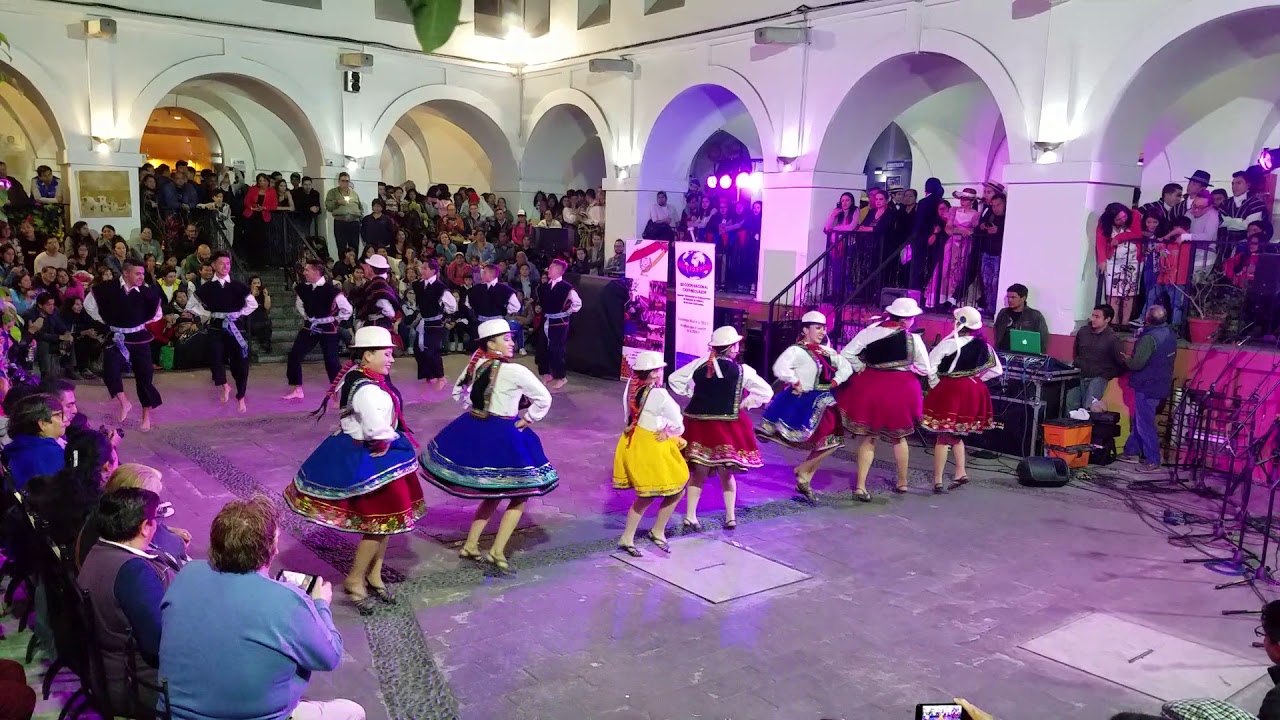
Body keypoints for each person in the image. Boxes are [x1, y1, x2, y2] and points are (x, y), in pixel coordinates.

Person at [160, 497, 364, 720]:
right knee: (353, 712)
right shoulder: (286, 600)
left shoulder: (188, 573)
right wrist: (321, 604)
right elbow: (330, 656)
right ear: (271, 549)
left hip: (175, 715)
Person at [285, 327, 425, 613]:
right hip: (371, 457)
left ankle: (373, 575)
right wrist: (395, 439)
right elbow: (376, 429)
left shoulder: (360, 377)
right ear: (367, 355)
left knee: (387, 520)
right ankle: (355, 580)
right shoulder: (368, 389)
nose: (391, 359)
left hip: (371, 454)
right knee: (377, 523)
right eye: (386, 354)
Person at [419, 319, 557, 573]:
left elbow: (458, 393)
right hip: (505, 434)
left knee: (493, 491)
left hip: (480, 428)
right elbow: (544, 398)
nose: (511, 343)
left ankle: (471, 545)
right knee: (521, 494)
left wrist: (479, 410)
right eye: (506, 339)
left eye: (510, 338)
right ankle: (496, 551)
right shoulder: (515, 371)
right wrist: (528, 418)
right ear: (491, 342)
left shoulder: (478, 364)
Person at [77, 488, 173, 715]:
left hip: (107, 674)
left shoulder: (99, 551)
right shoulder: (133, 572)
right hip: (137, 687)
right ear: (144, 527)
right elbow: (158, 644)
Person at [667, 325, 773, 530]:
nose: (738, 348)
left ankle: (691, 516)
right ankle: (730, 517)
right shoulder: (743, 371)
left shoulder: (699, 364)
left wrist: (693, 394)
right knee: (727, 473)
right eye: (737, 345)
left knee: (699, 471)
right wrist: (745, 403)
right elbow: (766, 392)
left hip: (699, 424)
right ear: (732, 347)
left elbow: (674, 379)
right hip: (726, 426)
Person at [837, 297, 936, 500]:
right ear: (907, 319)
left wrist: (861, 367)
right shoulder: (913, 340)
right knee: (899, 437)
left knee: (870, 436)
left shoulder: (870, 331)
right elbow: (925, 369)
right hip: (901, 389)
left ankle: (861, 486)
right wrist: (909, 368)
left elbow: (847, 353)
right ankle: (902, 483)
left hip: (872, 386)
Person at [758, 311, 853, 499]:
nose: (822, 332)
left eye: (823, 328)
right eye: (818, 328)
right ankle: (804, 475)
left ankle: (804, 473)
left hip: (825, 401)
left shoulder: (827, 351)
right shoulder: (796, 351)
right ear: (805, 329)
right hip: (805, 401)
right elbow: (780, 368)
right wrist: (795, 381)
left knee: (832, 441)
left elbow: (846, 367)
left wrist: (836, 382)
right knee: (828, 440)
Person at [612, 351, 688, 555]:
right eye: (660, 370)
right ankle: (658, 531)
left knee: (646, 494)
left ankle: (628, 537)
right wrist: (669, 432)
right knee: (677, 488)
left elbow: (629, 417)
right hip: (652, 445)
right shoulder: (659, 394)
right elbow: (678, 423)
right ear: (655, 373)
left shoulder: (632, 388)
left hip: (635, 441)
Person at [922, 307, 1002, 491]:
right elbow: (997, 370)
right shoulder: (984, 345)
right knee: (956, 432)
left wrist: (936, 385)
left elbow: (930, 367)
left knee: (943, 435)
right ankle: (960, 472)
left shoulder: (948, 344)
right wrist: (975, 379)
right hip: (974, 391)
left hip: (951, 390)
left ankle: (938, 479)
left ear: (958, 323)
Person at [85, 258, 164, 429]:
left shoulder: (147, 292)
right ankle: (124, 402)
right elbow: (89, 305)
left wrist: (139, 320)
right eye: (138, 273)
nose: (141, 277)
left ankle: (146, 415)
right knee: (110, 371)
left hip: (139, 336)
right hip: (116, 335)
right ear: (126, 273)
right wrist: (107, 320)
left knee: (145, 377)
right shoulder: (107, 289)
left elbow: (157, 314)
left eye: (143, 273)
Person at [187, 251, 257, 412]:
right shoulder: (207, 288)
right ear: (213, 265)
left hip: (235, 328)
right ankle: (224, 385)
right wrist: (208, 314)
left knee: (239, 363)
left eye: (228, 264)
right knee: (215, 359)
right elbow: (191, 306)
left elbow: (252, 305)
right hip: (216, 328)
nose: (225, 267)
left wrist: (238, 313)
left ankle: (241, 396)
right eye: (221, 263)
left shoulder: (238, 286)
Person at [283, 259, 353, 400]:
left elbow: (347, 309)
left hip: (328, 327)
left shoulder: (332, 291)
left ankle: (338, 390)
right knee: (295, 354)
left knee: (331, 359)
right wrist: (309, 317)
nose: (304, 272)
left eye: (307, 270)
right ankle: (297, 388)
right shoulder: (303, 288)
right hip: (310, 326)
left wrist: (336, 319)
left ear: (316, 272)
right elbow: (300, 305)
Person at [1120, 304, 1176, 472]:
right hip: (1161, 383)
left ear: (1148, 319)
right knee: (1140, 419)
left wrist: (1126, 359)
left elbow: (1137, 364)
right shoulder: (1170, 335)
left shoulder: (1149, 338)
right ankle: (1132, 451)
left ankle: (1153, 459)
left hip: (1146, 385)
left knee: (1144, 423)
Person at [0, 392, 66, 490]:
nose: (64, 419)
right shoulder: (49, 453)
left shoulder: (15, 448)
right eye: (58, 415)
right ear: (42, 423)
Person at [411, 258, 457, 395]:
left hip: (435, 323)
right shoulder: (418, 285)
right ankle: (428, 376)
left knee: (432, 351)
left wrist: (442, 314)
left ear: (433, 271)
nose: (422, 270)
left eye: (425, 268)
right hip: (423, 321)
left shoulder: (440, 287)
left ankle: (441, 377)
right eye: (421, 268)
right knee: (418, 350)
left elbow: (452, 306)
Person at [1070, 304, 1126, 411]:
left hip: (1099, 377)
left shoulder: (1112, 338)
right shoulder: (1083, 332)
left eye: (1097, 317)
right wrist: (1077, 363)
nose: (1093, 319)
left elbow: (1120, 362)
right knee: (1071, 404)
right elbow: (1076, 351)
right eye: (1092, 315)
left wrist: (1106, 374)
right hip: (1080, 374)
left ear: (1107, 319)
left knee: (1089, 407)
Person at [536, 259, 582, 390]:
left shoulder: (566, 288)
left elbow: (577, 303)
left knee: (557, 349)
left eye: (552, 268)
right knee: (543, 347)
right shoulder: (544, 287)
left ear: (560, 271)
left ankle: (561, 376)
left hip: (559, 322)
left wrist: (568, 311)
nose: (549, 270)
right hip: (546, 320)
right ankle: (547, 373)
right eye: (549, 268)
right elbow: (542, 302)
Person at [351, 254, 401, 334]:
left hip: (378, 326)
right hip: (377, 324)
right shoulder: (378, 284)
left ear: (372, 269)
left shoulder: (379, 286)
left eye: (369, 266)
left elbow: (389, 310)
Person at [993, 283, 1050, 352]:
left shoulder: (1035, 316)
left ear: (1023, 298)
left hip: (1024, 354)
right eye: (1008, 297)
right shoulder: (1003, 313)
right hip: (1003, 353)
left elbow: (1043, 339)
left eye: (1013, 297)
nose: (1010, 300)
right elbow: (997, 333)